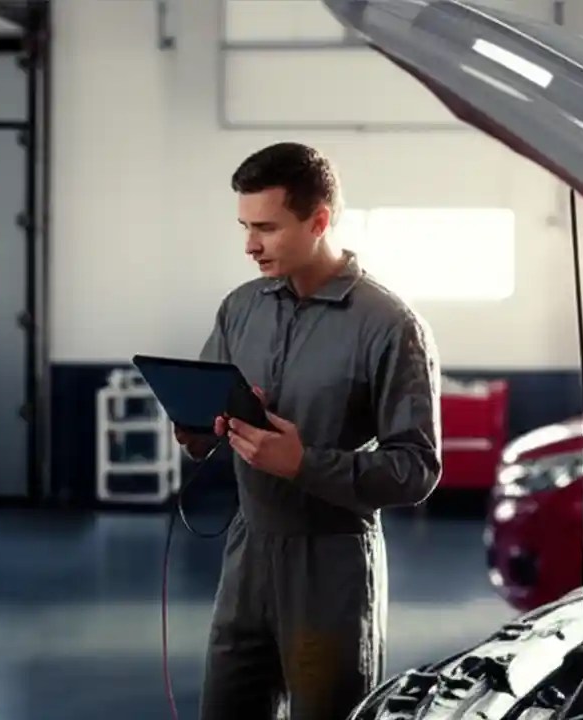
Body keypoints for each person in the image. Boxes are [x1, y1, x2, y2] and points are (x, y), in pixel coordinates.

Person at [174, 142, 442, 719]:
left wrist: (303, 464)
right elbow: (203, 425)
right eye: (245, 226)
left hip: (332, 566)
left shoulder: (390, 326)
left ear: (319, 220)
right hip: (247, 555)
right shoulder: (241, 308)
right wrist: (198, 425)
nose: (250, 245)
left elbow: (416, 469)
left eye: (266, 228)